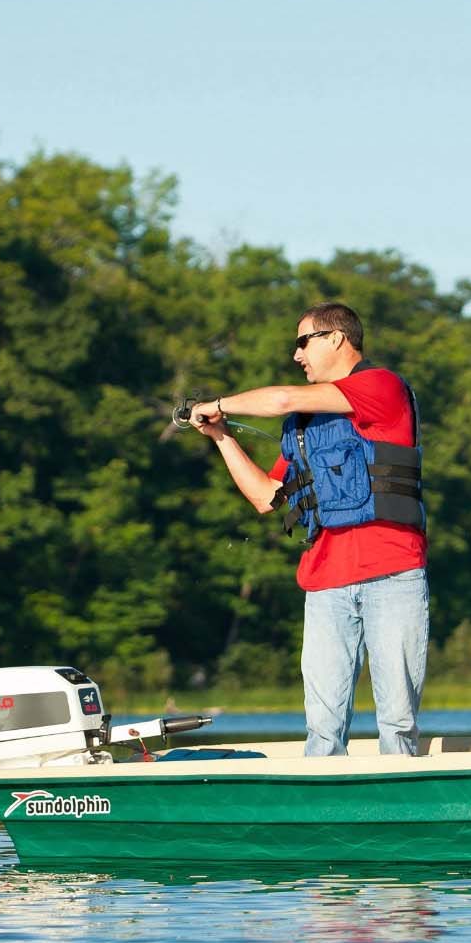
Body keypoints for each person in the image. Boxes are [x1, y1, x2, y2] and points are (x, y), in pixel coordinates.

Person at [188, 302, 428, 757]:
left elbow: (280, 398)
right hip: (325, 584)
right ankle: (326, 817)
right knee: (322, 729)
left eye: (303, 342)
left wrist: (215, 404)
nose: (297, 355)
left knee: (396, 725)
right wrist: (222, 436)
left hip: (393, 575)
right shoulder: (303, 426)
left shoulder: (383, 386)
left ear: (337, 338)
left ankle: (398, 816)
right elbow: (266, 497)